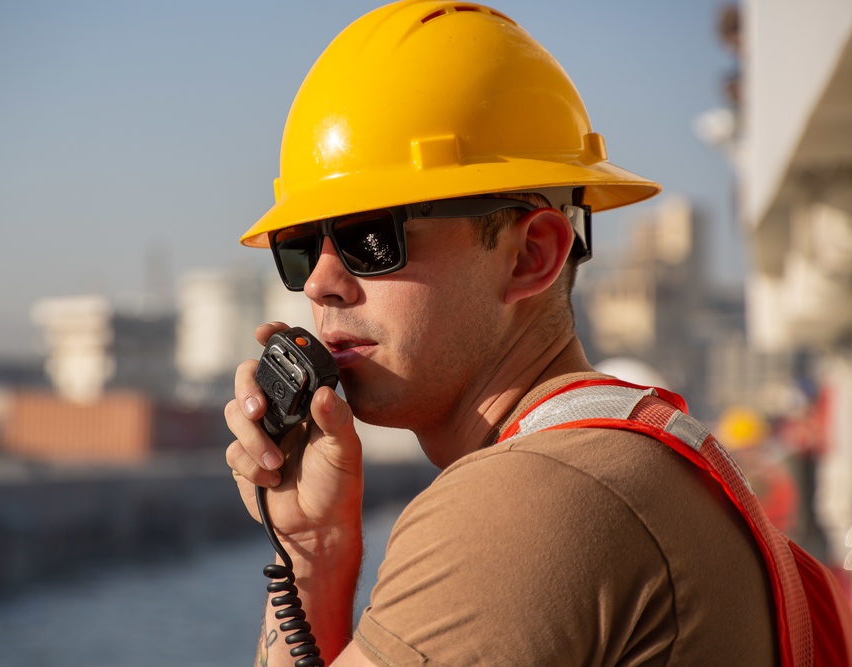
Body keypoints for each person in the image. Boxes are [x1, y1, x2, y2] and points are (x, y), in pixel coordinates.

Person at [225, 2, 777, 665]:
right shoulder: (618, 455)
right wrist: (312, 543)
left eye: (372, 237)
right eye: (300, 246)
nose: (319, 282)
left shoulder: (524, 502)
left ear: (531, 255)